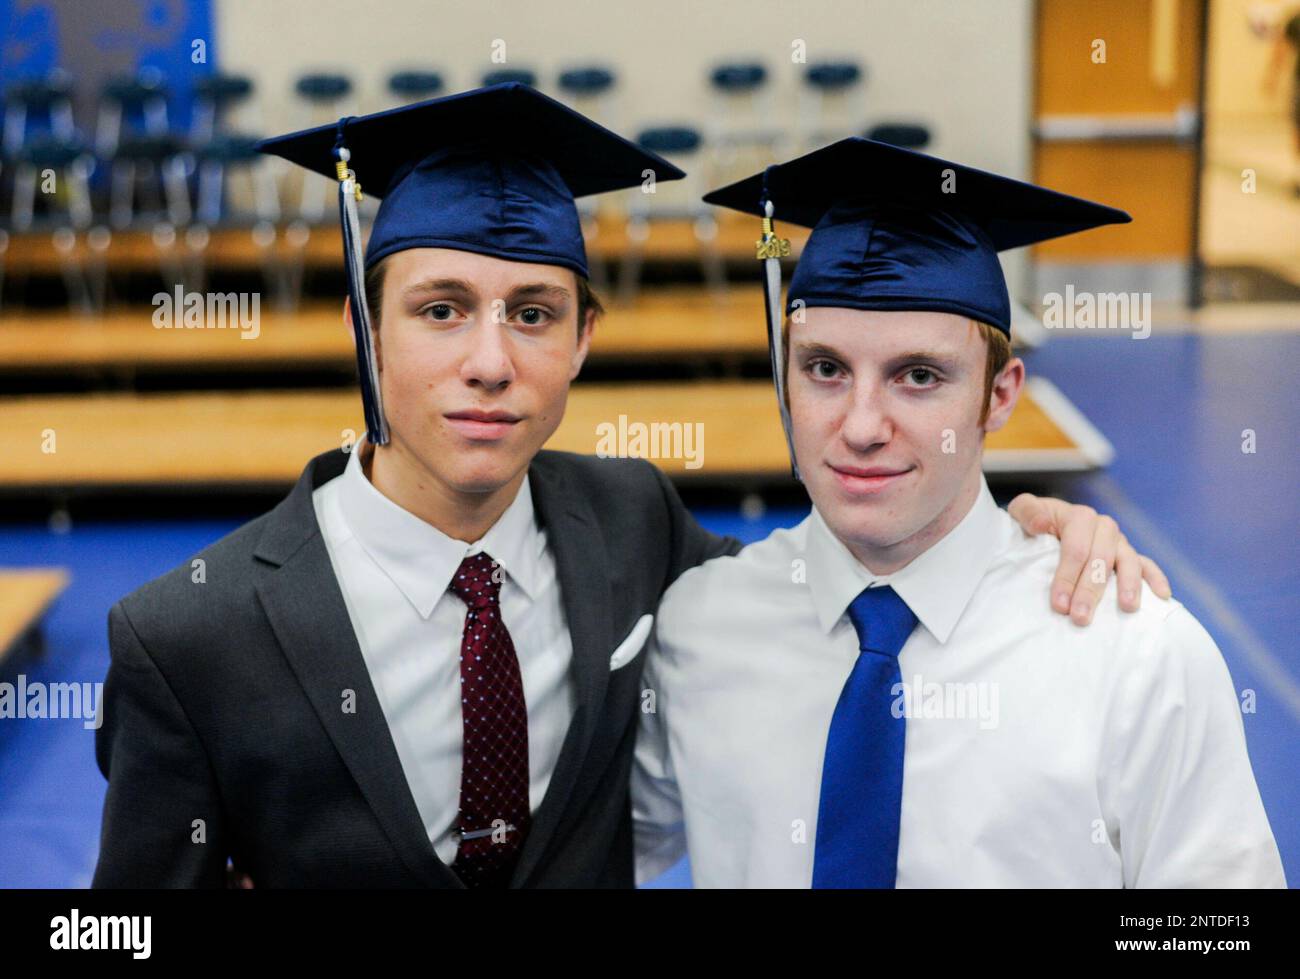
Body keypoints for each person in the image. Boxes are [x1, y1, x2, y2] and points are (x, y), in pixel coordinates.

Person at [92, 85, 1169, 889]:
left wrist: (1024, 526)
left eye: (533, 311)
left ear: (583, 338)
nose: (488, 360)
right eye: (438, 308)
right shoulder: (191, 633)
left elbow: (842, 583)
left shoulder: (632, 529)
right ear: (363, 330)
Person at [633, 137, 1285, 888]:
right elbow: (583, 852)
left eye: (918, 375)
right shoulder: (702, 629)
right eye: (825, 369)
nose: (862, 424)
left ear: (1000, 395)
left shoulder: (1135, 658)